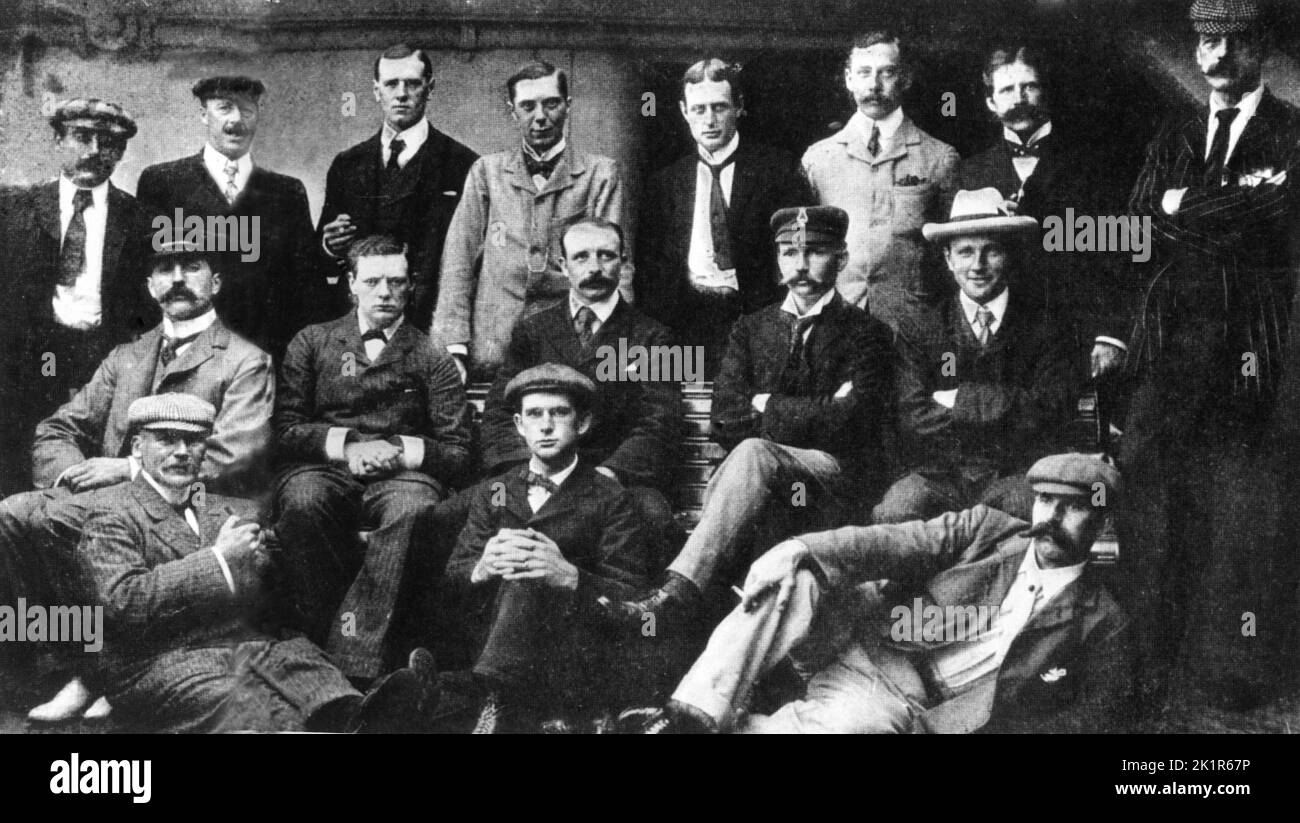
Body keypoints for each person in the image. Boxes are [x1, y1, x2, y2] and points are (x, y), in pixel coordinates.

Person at [621, 454, 1133, 734]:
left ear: (1102, 520)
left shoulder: (1101, 617)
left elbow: (1097, 713)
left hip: (906, 706)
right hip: (870, 644)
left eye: (1073, 508)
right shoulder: (989, 529)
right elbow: (894, 541)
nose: (1051, 518)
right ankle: (687, 717)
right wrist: (799, 546)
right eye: (1045, 501)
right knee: (794, 577)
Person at [0, 236, 273, 723]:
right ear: (150, 286)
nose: (177, 279)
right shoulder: (126, 356)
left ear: (217, 282)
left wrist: (128, 469)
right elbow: (59, 428)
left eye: (191, 267)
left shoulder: (244, 359)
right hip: (118, 500)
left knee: (69, 522)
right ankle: (78, 663)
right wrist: (75, 474)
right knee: (16, 514)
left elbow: (235, 455)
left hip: (198, 501)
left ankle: (106, 669)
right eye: (164, 269)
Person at [1120, 0, 1300, 711]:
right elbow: (1136, 219)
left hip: (1252, 348)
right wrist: (1222, 206)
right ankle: (1148, 660)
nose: (1217, 58)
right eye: (1205, 42)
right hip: (1170, 345)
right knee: (1149, 494)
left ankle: (1232, 668)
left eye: (1234, 43)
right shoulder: (1177, 130)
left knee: (1239, 504)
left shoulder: (1291, 133)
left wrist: (1179, 208)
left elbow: (1278, 218)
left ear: (1261, 49)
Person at [74, 393, 440, 733]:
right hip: (156, 663)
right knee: (259, 706)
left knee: (311, 670)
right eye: (166, 440)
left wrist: (266, 561)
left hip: (246, 645)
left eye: (194, 441)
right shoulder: (109, 511)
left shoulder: (226, 510)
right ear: (138, 446)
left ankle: (364, 714)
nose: (182, 452)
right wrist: (219, 560)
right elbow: (123, 603)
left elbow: (270, 598)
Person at [603, 206, 894, 627]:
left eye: (815, 252)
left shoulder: (868, 333)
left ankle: (674, 594)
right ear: (778, 259)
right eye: (790, 253)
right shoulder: (751, 329)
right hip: (763, 480)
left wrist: (767, 405)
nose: (801, 265)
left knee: (755, 451)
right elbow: (725, 416)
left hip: (831, 478)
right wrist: (819, 409)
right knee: (754, 457)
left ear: (842, 259)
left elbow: (854, 422)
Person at [272, 234, 471, 684]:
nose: (386, 293)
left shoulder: (432, 353)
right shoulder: (312, 341)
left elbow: (458, 450)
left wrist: (399, 450)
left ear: (411, 287)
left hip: (403, 478)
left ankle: (352, 667)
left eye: (397, 283)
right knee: (303, 502)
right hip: (324, 469)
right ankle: (317, 637)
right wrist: (349, 446)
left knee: (413, 511)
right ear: (351, 284)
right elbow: (285, 430)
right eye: (374, 281)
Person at [443, 365, 669, 732]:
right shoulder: (495, 491)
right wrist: (480, 568)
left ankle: (490, 700)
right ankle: (480, 694)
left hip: (571, 648)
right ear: (518, 425)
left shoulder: (609, 495)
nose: (545, 426)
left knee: (530, 579)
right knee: (518, 578)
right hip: (490, 635)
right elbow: (454, 576)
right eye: (534, 415)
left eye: (559, 413)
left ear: (582, 424)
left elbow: (634, 596)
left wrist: (571, 576)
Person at [476, 218, 681, 560]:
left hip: (615, 476)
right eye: (582, 257)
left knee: (654, 519)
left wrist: (609, 473)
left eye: (606, 256)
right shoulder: (532, 331)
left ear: (624, 261)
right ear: (563, 265)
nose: (595, 268)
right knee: (449, 516)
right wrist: (527, 469)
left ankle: (636, 610)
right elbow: (499, 412)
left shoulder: (653, 336)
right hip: (536, 471)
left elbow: (660, 420)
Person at [873, 188, 1074, 525]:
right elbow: (912, 416)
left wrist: (957, 400)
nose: (977, 266)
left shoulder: (1045, 327)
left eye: (991, 251)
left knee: (1036, 517)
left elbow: (1049, 411)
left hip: (1015, 474)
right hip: (939, 474)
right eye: (965, 252)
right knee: (897, 512)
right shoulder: (921, 327)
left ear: (1009, 255)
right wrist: (1007, 408)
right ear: (949, 260)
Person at [432, 60, 631, 380]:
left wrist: (615, 350)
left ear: (568, 106)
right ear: (513, 111)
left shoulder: (600, 174)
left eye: (551, 104)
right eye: (528, 106)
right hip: (494, 349)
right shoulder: (486, 172)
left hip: (572, 348)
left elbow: (616, 269)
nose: (540, 117)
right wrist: (453, 348)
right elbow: (458, 262)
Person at [0, 98, 156, 495]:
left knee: (91, 462)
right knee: (18, 462)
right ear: (57, 140)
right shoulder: (14, 211)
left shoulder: (140, 220)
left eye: (107, 142)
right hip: (26, 359)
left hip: (103, 356)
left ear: (120, 153)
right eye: (81, 137)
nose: (93, 151)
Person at [956, 46, 1132, 379]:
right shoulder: (970, 172)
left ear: (1045, 93)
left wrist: (1111, 333)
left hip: (1076, 333)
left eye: (1029, 87)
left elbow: (1121, 253)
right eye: (1006, 90)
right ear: (990, 103)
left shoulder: (1093, 165)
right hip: (999, 337)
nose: (1019, 97)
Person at [636, 58, 811, 376]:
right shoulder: (665, 183)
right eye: (699, 109)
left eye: (719, 107)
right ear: (684, 111)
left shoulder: (778, 171)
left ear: (739, 106)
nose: (710, 120)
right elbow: (650, 267)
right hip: (686, 321)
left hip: (758, 317)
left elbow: (798, 252)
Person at [136, 76, 328, 360]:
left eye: (247, 110)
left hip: (266, 350)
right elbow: (145, 272)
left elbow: (306, 285)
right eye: (225, 108)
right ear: (204, 115)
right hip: (187, 350)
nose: (237, 120)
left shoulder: (287, 191)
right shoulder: (162, 182)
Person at [801, 30, 958, 328]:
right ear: (849, 79)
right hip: (836, 321)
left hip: (912, 323)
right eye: (863, 73)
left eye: (886, 73)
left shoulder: (939, 157)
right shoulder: (818, 158)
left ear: (906, 78)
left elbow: (951, 254)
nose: (874, 85)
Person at [318, 44, 479, 330]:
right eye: (391, 84)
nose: (402, 94)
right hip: (360, 324)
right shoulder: (348, 164)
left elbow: (471, 262)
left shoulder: (464, 164)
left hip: (429, 323)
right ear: (376, 91)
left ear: (430, 88)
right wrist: (330, 247)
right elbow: (321, 261)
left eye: (413, 84)